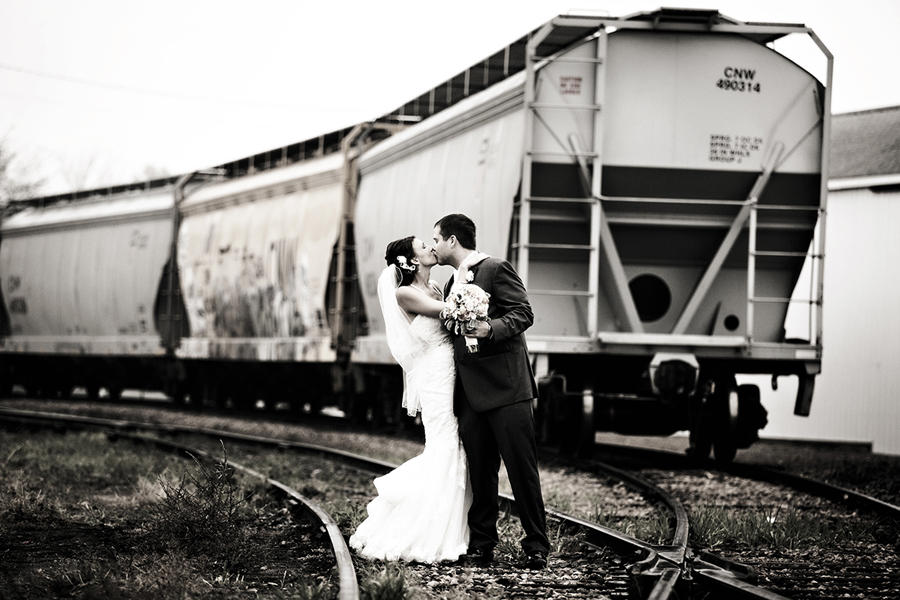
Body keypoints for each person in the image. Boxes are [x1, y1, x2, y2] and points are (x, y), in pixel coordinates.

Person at [432, 213, 550, 570]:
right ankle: (482, 543)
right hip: (470, 394)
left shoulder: (496, 268)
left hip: (507, 388)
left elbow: (523, 313)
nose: (433, 245)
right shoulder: (451, 283)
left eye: (436, 238)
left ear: (453, 240)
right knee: (480, 473)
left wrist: (490, 328)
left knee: (521, 470)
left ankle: (536, 545)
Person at [349, 236, 473, 564]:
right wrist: (471, 295)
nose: (431, 247)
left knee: (453, 444)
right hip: (436, 373)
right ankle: (425, 532)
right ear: (410, 259)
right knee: (445, 444)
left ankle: (453, 530)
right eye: (422, 245)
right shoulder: (406, 293)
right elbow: (449, 312)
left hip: (451, 368)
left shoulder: (434, 287)